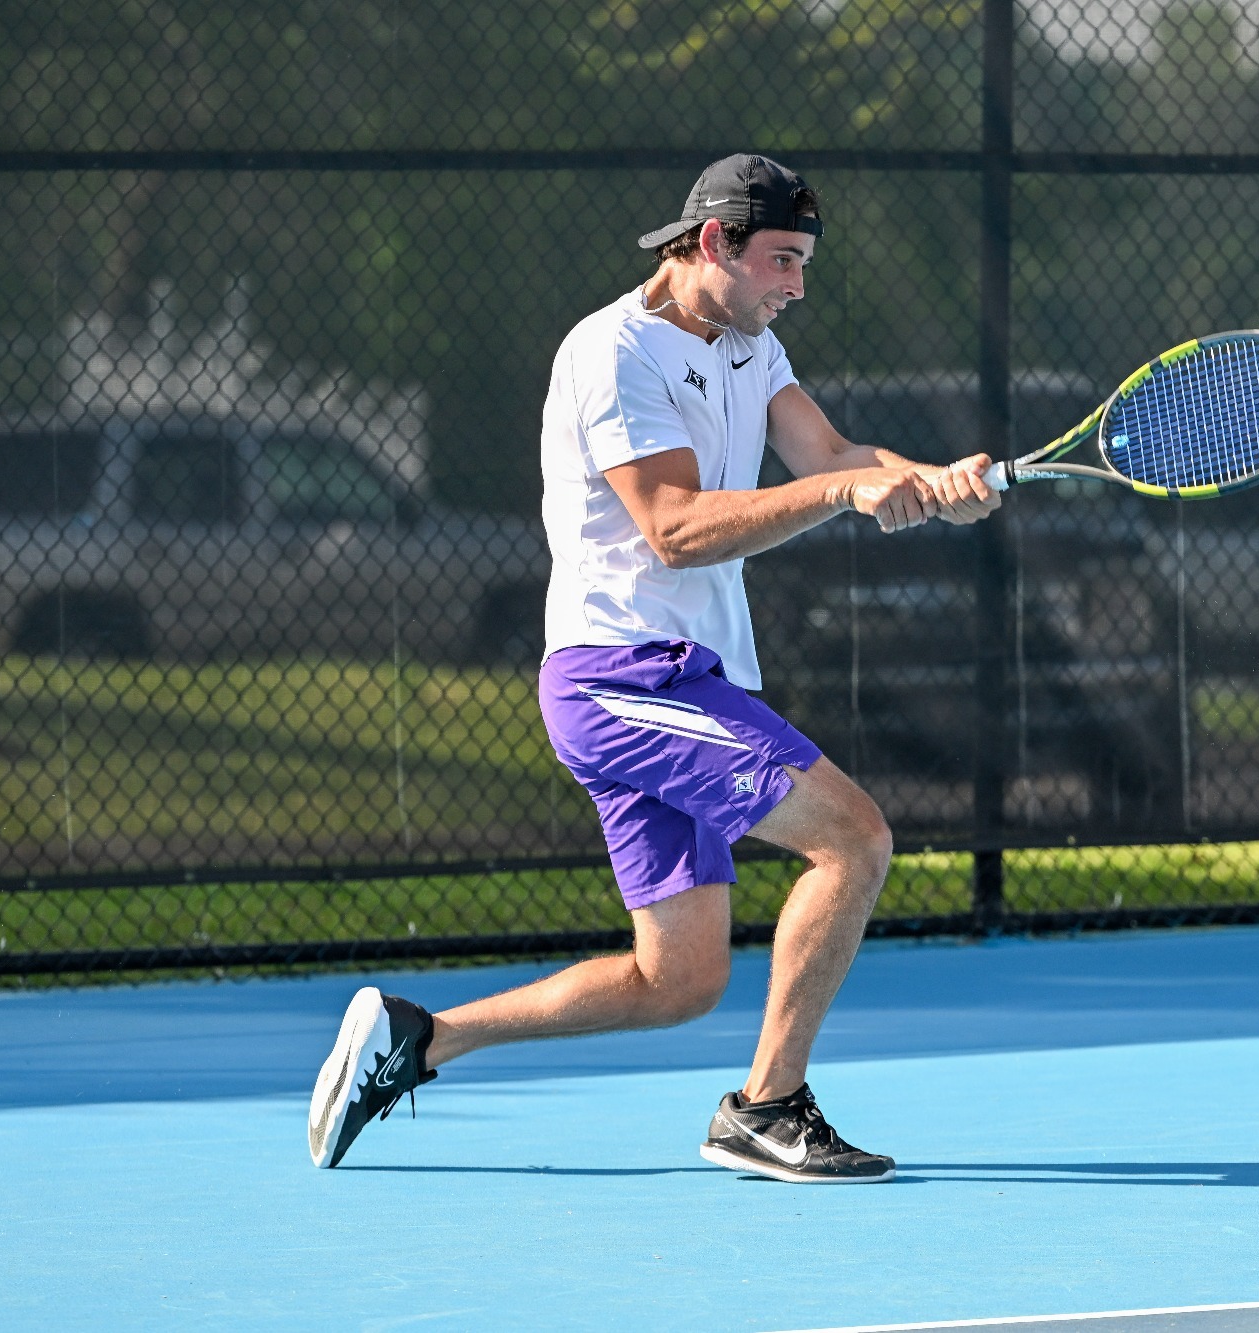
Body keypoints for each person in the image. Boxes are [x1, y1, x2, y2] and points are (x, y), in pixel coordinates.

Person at [307, 154, 1001, 1184]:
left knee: (674, 978)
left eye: (803, 265)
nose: (794, 287)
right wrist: (845, 496)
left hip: (673, 680)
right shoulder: (614, 352)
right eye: (780, 262)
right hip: (626, 678)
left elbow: (830, 453)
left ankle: (418, 1039)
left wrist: (928, 482)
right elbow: (674, 529)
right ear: (712, 242)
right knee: (854, 840)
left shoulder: (748, 349)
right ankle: (767, 1107)